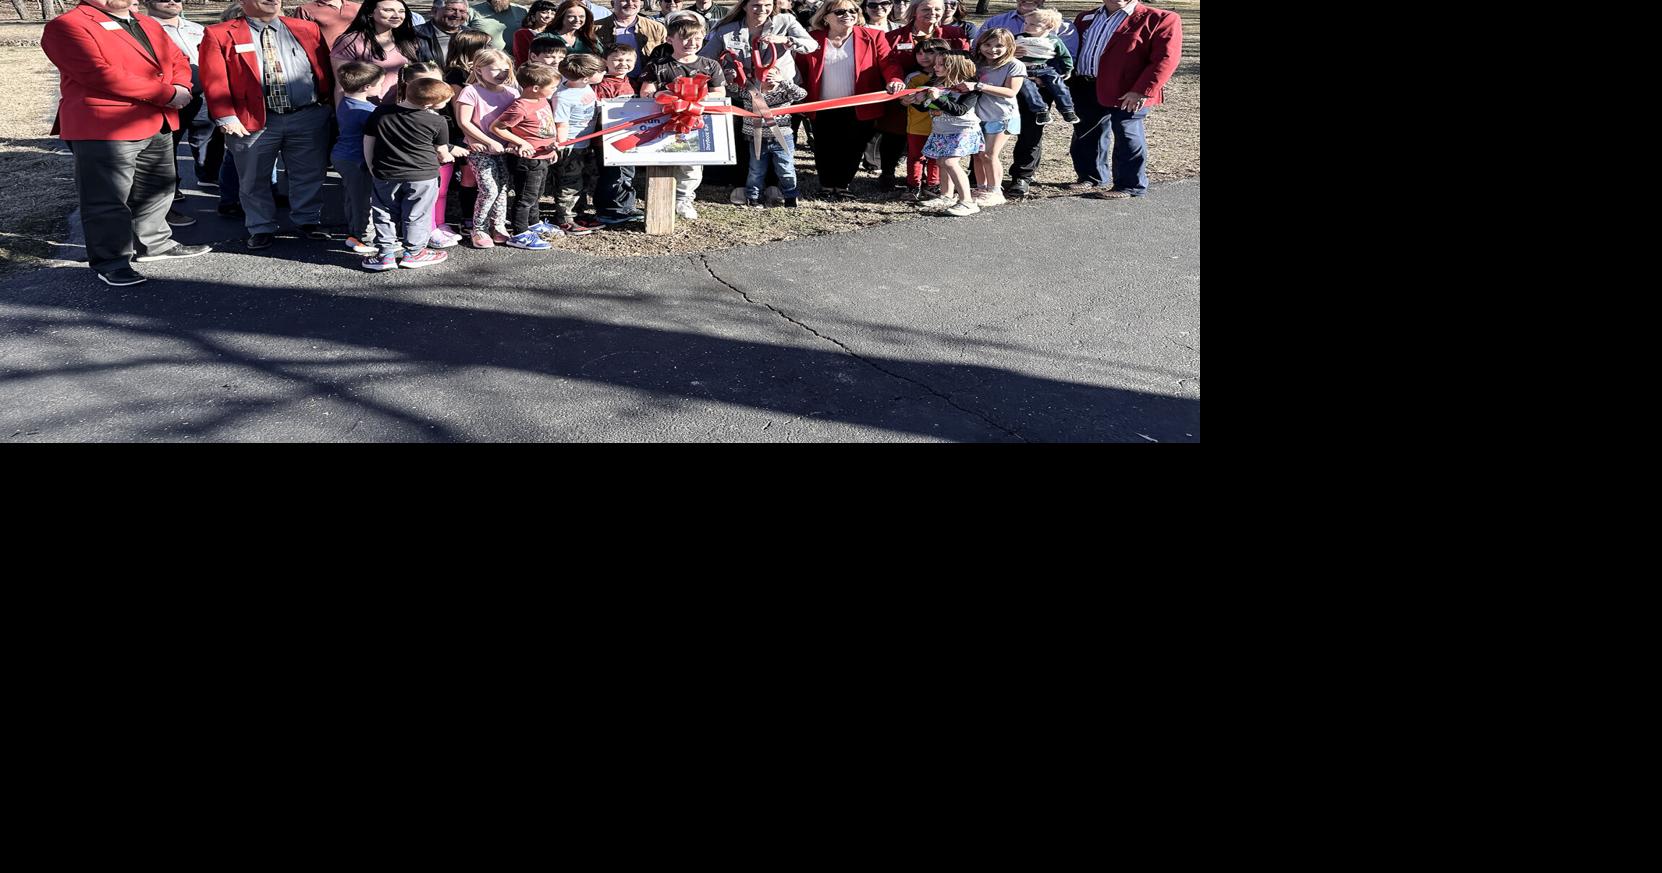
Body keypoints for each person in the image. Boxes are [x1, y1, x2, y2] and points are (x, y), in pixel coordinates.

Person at [42, 0, 208, 286]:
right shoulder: (67, 26)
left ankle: (154, 244)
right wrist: (167, 94)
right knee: (107, 199)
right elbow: (99, 74)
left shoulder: (147, 23)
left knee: (158, 187)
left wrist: (181, 86)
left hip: (158, 121)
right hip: (106, 126)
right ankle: (112, 261)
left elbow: (179, 60)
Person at [199, 0, 334, 249]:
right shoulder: (220, 33)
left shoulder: (306, 28)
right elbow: (213, 79)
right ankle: (260, 226)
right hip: (251, 121)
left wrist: (327, 106)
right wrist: (226, 116)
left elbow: (323, 67)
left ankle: (308, 220)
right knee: (253, 179)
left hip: (307, 116)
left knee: (309, 174)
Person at [1067, 0, 1179, 198]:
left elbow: (1166, 58)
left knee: (1127, 134)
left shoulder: (1160, 18)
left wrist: (1142, 90)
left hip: (1128, 91)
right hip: (1085, 86)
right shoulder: (1085, 17)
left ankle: (1129, 185)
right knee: (1085, 132)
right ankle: (1091, 177)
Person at [794, 0, 889, 200]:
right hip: (822, 105)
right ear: (825, 17)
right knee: (824, 146)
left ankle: (843, 184)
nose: (848, 15)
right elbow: (800, 70)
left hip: (858, 106)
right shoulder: (812, 39)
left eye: (853, 10)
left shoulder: (874, 37)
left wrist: (895, 80)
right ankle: (827, 186)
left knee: (853, 147)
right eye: (840, 11)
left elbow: (888, 64)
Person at [360, 75, 455, 268]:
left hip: (386, 172)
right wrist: (448, 157)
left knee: (384, 212)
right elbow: (442, 152)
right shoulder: (437, 122)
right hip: (423, 176)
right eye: (445, 101)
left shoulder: (382, 112)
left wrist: (371, 166)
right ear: (430, 103)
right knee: (418, 213)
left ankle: (385, 254)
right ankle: (414, 253)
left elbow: (368, 140)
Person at [640, 12, 724, 219]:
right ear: (670, 39)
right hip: (664, 121)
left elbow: (719, 93)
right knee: (662, 161)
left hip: (696, 122)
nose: (691, 43)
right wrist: (665, 96)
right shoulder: (658, 65)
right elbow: (646, 91)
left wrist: (694, 101)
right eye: (685, 38)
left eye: (697, 38)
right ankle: (659, 198)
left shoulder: (710, 65)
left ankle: (684, 199)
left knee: (692, 165)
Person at [141, 0, 211, 227]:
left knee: (206, 135)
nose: (172, 1)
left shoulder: (196, 28)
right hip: (170, 98)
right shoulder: (144, 28)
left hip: (202, 94)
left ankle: (208, 175)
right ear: (146, 2)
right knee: (167, 146)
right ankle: (169, 192)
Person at [489, 61, 560, 248]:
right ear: (535, 88)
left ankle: (533, 223)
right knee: (525, 197)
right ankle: (520, 233)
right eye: (552, 87)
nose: (555, 89)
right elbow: (496, 127)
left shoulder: (542, 99)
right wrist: (522, 142)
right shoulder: (521, 107)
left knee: (537, 194)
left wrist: (551, 148)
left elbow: (545, 128)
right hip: (527, 160)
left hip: (542, 156)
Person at [452, 47, 517, 246]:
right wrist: (487, 141)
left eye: (505, 69)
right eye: (495, 70)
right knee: (488, 189)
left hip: (504, 149)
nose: (502, 74)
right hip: (479, 149)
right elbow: (464, 122)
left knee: (503, 187)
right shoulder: (470, 91)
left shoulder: (512, 92)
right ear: (478, 70)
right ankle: (478, 229)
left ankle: (498, 226)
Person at [912, 51, 978, 215]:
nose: (935, 67)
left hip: (962, 130)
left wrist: (937, 99)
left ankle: (968, 202)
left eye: (941, 64)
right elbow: (926, 106)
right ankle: (946, 195)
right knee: (941, 162)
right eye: (936, 64)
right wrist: (914, 101)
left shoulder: (968, 86)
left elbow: (959, 110)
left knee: (950, 162)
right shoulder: (935, 82)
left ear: (955, 66)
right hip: (941, 130)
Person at [331, 0, 434, 102]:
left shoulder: (408, 40)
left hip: (402, 107)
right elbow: (341, 85)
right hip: (367, 110)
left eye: (401, 11)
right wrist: (343, 115)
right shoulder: (350, 41)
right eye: (388, 10)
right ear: (370, 12)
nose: (397, 15)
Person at [331, 60, 384, 253]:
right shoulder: (366, 111)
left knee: (353, 198)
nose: (381, 87)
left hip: (344, 156)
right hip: (357, 160)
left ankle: (354, 234)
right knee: (365, 200)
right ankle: (365, 239)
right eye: (379, 83)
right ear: (366, 87)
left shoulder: (346, 102)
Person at [548, 52, 604, 234]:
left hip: (585, 144)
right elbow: (561, 123)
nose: (603, 73)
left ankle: (578, 213)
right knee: (569, 182)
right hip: (571, 146)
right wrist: (562, 146)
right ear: (586, 78)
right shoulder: (563, 96)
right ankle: (565, 218)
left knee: (583, 180)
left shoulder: (585, 88)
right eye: (600, 71)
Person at [966, 27, 1021, 205]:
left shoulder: (1013, 65)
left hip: (1002, 116)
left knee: (990, 154)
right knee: (977, 154)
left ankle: (995, 191)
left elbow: (1011, 91)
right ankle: (981, 188)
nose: (992, 49)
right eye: (987, 44)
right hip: (979, 116)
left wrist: (978, 86)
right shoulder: (978, 64)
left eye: (999, 45)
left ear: (1009, 47)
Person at [1012, 7, 1073, 125]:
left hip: (1044, 68)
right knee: (1027, 88)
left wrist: (1067, 69)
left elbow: (1065, 55)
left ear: (1048, 27)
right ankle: (1041, 110)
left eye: (1032, 24)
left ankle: (1067, 109)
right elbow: (1005, 51)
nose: (1026, 26)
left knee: (1058, 84)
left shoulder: (1054, 41)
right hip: (1022, 69)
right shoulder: (1018, 38)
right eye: (1026, 22)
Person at [899, 36, 943, 196]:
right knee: (916, 157)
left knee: (936, 157)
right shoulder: (913, 77)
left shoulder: (948, 77)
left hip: (941, 127)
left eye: (929, 53)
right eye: (919, 53)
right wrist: (905, 100)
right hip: (917, 126)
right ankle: (913, 185)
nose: (923, 57)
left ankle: (933, 185)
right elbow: (903, 100)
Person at [595, 0, 663, 84]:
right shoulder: (595, 28)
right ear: (612, 3)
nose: (630, 3)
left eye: (634, 0)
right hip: (607, 85)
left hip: (646, 83)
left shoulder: (656, 28)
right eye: (624, 0)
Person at [415, 0, 481, 61]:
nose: (457, 15)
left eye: (462, 11)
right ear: (434, 11)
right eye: (451, 10)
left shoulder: (474, 36)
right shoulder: (414, 35)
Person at [294, 0, 362, 48]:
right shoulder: (305, 10)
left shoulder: (357, 8)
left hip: (357, 57)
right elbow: (301, 41)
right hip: (324, 60)